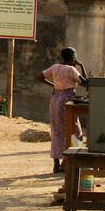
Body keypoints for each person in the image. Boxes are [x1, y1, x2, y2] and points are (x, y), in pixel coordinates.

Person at [39, 46, 88, 174]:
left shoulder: (55, 68)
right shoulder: (71, 69)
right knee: (75, 131)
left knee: (56, 131)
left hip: (55, 101)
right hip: (67, 103)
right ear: (73, 58)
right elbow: (85, 82)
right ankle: (65, 163)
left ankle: (56, 164)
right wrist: (81, 65)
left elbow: (39, 77)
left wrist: (53, 85)